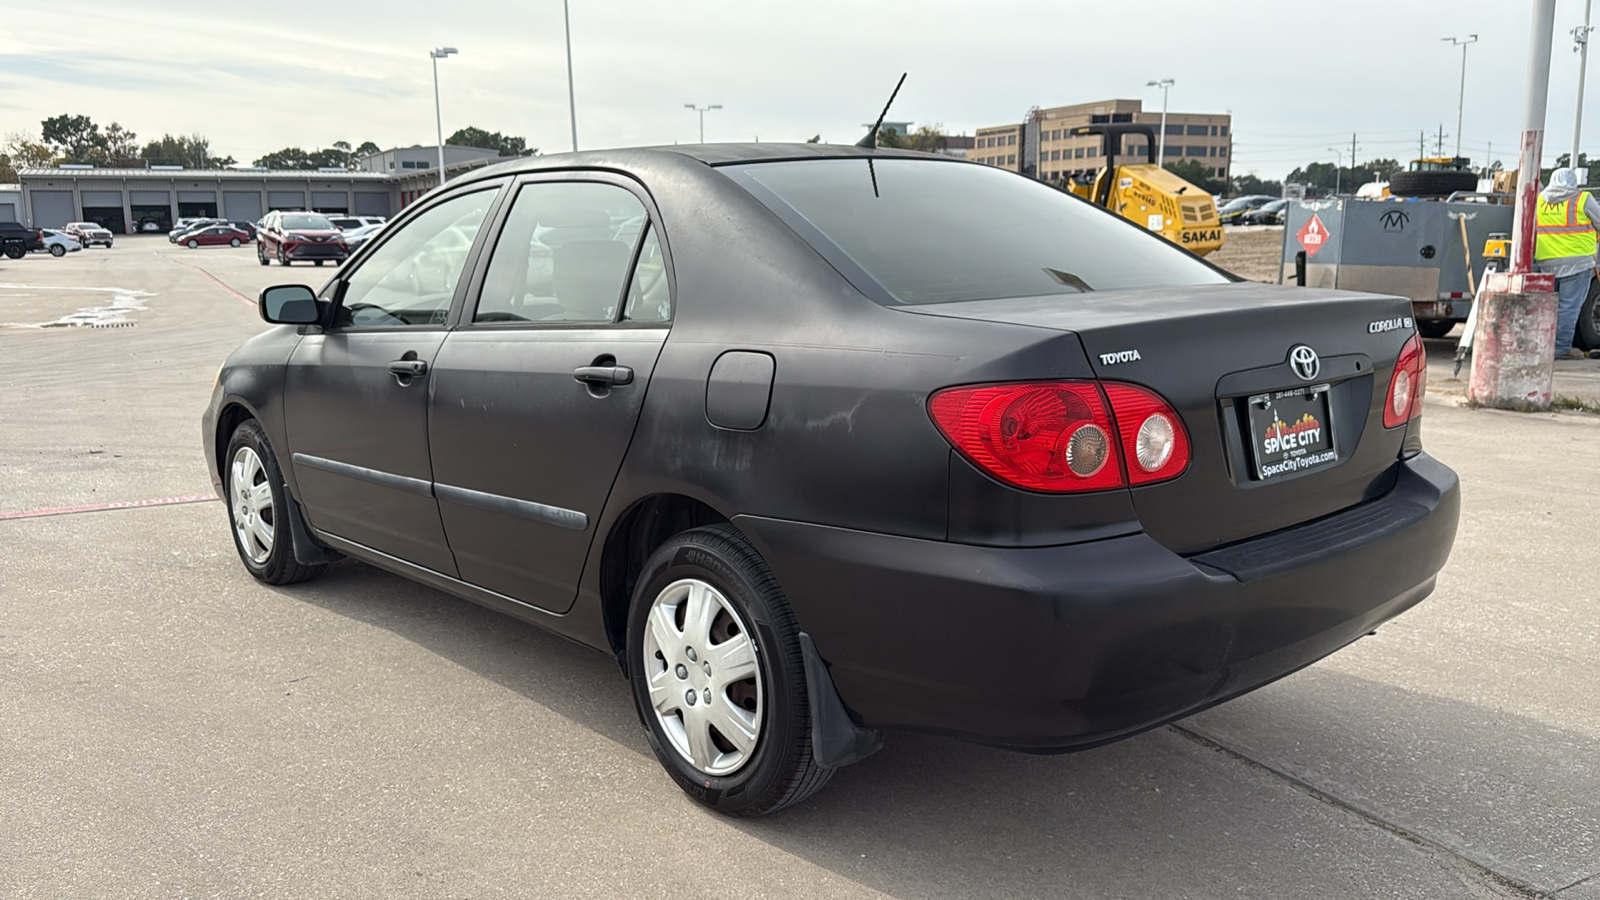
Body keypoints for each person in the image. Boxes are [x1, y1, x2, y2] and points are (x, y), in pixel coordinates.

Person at [1533, 166, 1598, 360]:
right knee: (1569, 307)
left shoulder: (1541, 200)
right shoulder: (1582, 199)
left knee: (1547, 306)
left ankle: (1542, 345)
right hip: (1576, 263)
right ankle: (1561, 348)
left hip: (1547, 261)